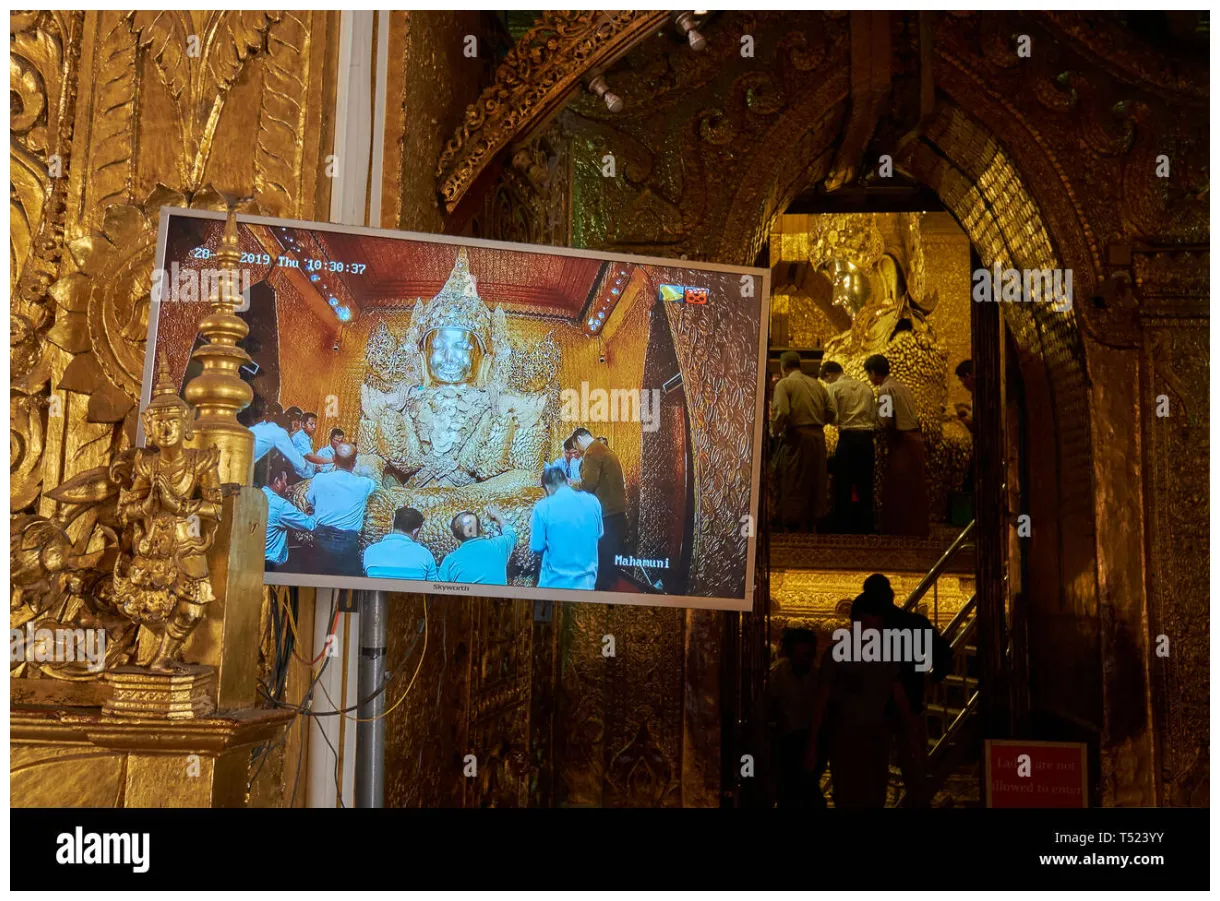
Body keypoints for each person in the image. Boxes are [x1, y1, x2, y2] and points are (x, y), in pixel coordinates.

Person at [804, 592, 918, 809]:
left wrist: (912, 733)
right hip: (845, 736)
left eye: (877, 629)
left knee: (875, 794)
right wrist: (813, 745)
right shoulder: (838, 654)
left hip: (876, 736)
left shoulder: (886, 654)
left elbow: (899, 694)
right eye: (867, 628)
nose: (872, 635)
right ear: (855, 625)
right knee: (848, 794)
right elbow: (821, 702)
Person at [862, 573, 953, 808]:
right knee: (912, 764)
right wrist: (933, 677)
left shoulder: (868, 629)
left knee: (874, 768)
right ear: (891, 596)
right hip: (909, 702)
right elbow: (944, 652)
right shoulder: (915, 623)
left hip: (876, 707)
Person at [769, 351, 836, 532]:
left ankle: (793, 524)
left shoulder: (785, 384)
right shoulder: (817, 384)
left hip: (796, 438)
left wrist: (774, 433)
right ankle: (814, 521)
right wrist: (818, 421)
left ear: (783, 368)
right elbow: (831, 412)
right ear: (800, 366)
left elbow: (781, 412)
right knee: (816, 480)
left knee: (794, 480)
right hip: (818, 437)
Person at [864, 353, 928, 537]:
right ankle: (917, 528)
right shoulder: (903, 387)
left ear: (874, 372)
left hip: (902, 443)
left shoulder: (885, 390)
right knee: (914, 488)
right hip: (915, 440)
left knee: (898, 489)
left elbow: (884, 420)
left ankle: (899, 529)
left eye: (869, 374)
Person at [305, 443, 378, 577]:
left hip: (321, 540)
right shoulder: (363, 484)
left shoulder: (319, 479)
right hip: (348, 544)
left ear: (333, 458)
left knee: (316, 581)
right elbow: (373, 483)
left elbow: (310, 500)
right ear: (354, 462)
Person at [820, 361, 876, 533]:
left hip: (848, 438)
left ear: (829, 375)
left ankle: (844, 522)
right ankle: (865, 523)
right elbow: (874, 415)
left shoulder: (834, 388)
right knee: (865, 481)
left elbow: (832, 416)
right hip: (867, 439)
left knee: (844, 481)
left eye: (826, 379)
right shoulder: (866, 388)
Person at [768, 627, 822, 808]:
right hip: (786, 739)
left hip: (811, 738)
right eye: (797, 654)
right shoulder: (778, 673)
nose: (801, 660)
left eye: (806, 655)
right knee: (788, 791)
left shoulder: (818, 676)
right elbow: (772, 703)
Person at [569, 427, 627, 590]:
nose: (578, 452)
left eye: (576, 447)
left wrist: (569, 485)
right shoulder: (607, 450)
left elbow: (588, 485)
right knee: (611, 561)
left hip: (606, 514)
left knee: (602, 562)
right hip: (618, 512)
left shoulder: (592, 452)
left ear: (578, 439)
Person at [530, 465, 603, 589]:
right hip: (586, 585)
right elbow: (599, 534)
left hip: (553, 586)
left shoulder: (542, 507)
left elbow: (537, 547)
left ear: (548, 488)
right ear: (567, 481)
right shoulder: (593, 502)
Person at [438, 505, 517, 585]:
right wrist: (499, 517)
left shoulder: (450, 561)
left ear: (455, 537)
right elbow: (510, 534)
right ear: (481, 528)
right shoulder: (498, 546)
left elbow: (438, 588)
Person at [261, 468, 316, 570]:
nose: (286, 484)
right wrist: (315, 512)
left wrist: (283, 492)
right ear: (277, 481)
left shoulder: (259, 495)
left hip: (255, 558)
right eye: (285, 481)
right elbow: (310, 525)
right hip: (270, 564)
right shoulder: (281, 505)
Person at [362, 507, 438, 581]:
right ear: (416, 531)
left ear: (393, 525)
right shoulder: (425, 555)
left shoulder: (370, 552)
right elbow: (433, 587)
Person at [251, 403, 311, 483]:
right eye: (294, 420)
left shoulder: (258, 427)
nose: (296, 424)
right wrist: (311, 475)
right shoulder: (279, 433)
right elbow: (300, 464)